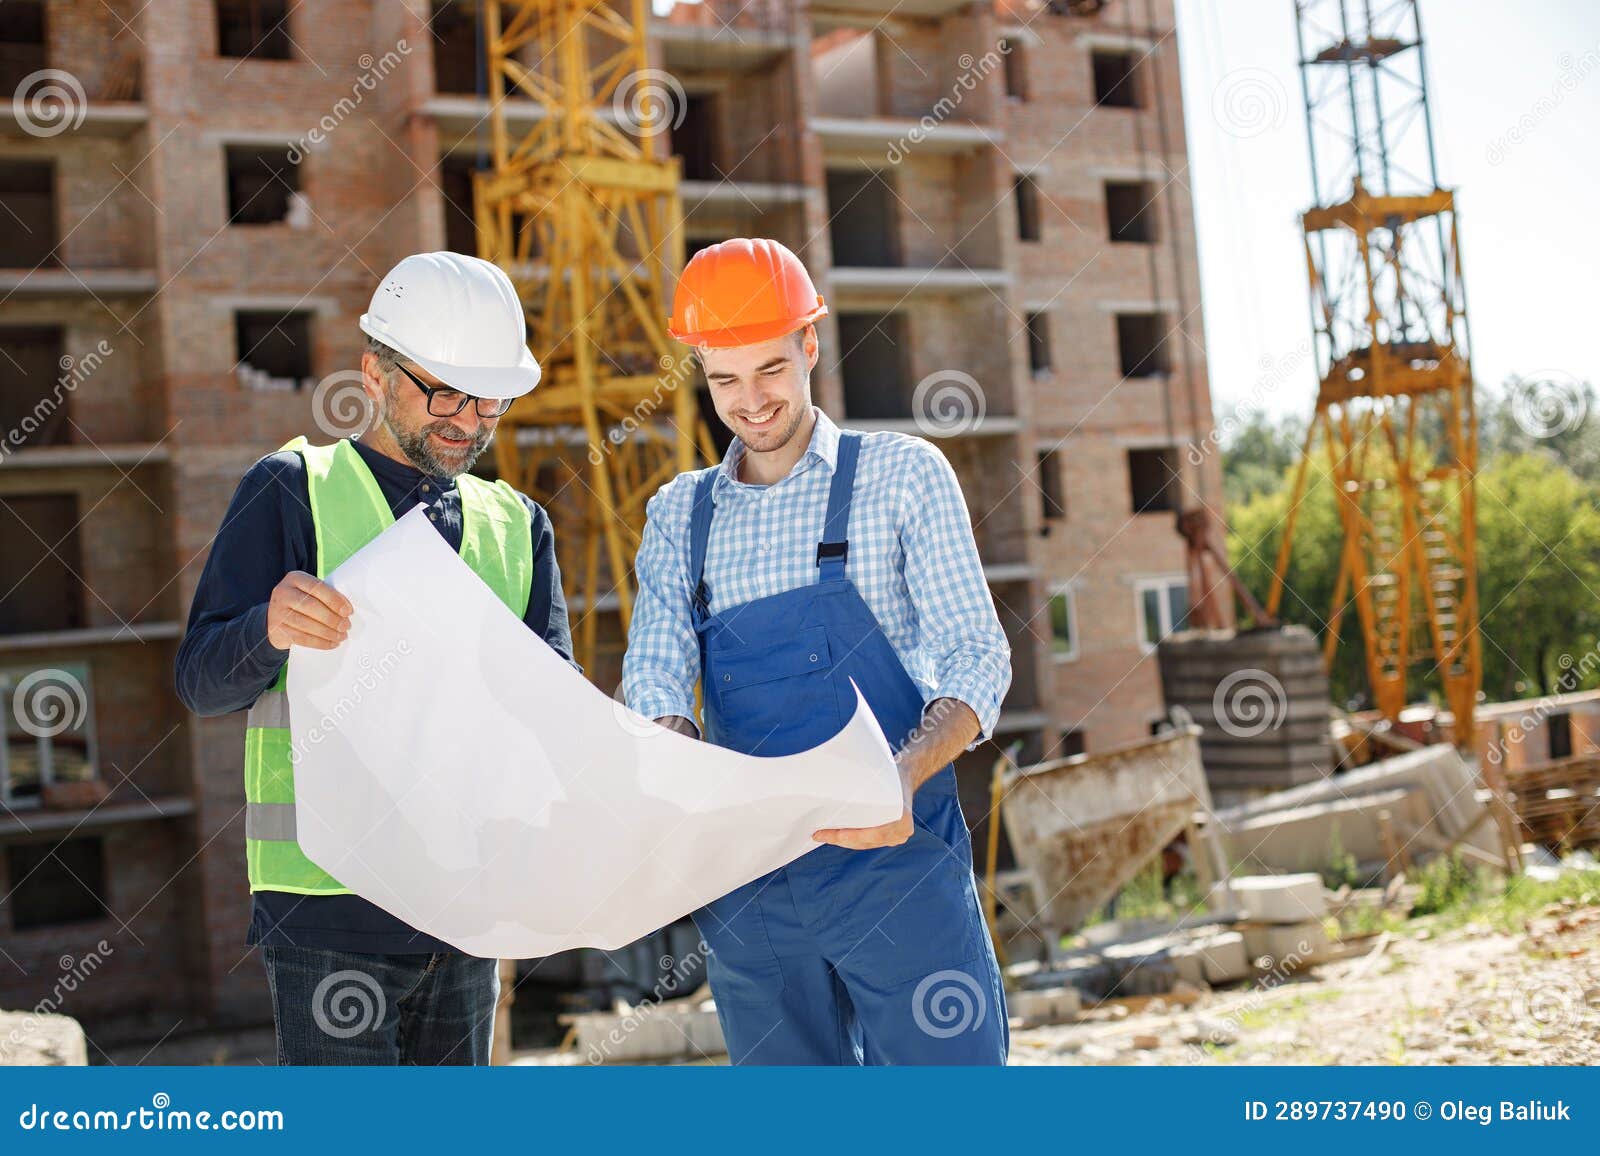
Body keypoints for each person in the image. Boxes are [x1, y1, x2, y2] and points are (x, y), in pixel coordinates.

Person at [175, 252, 572, 1065]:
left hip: (464, 905)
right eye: (445, 392)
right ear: (375, 374)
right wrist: (268, 629)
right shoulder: (291, 489)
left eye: (489, 398)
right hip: (328, 908)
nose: (469, 419)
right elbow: (200, 681)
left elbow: (553, 717)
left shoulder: (517, 525)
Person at [622, 238, 1011, 1065]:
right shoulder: (678, 515)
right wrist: (681, 764)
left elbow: (979, 655)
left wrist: (897, 779)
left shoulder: (903, 475)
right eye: (723, 379)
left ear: (809, 345)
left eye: (768, 370)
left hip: (894, 860)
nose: (750, 401)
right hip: (751, 883)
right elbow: (654, 675)